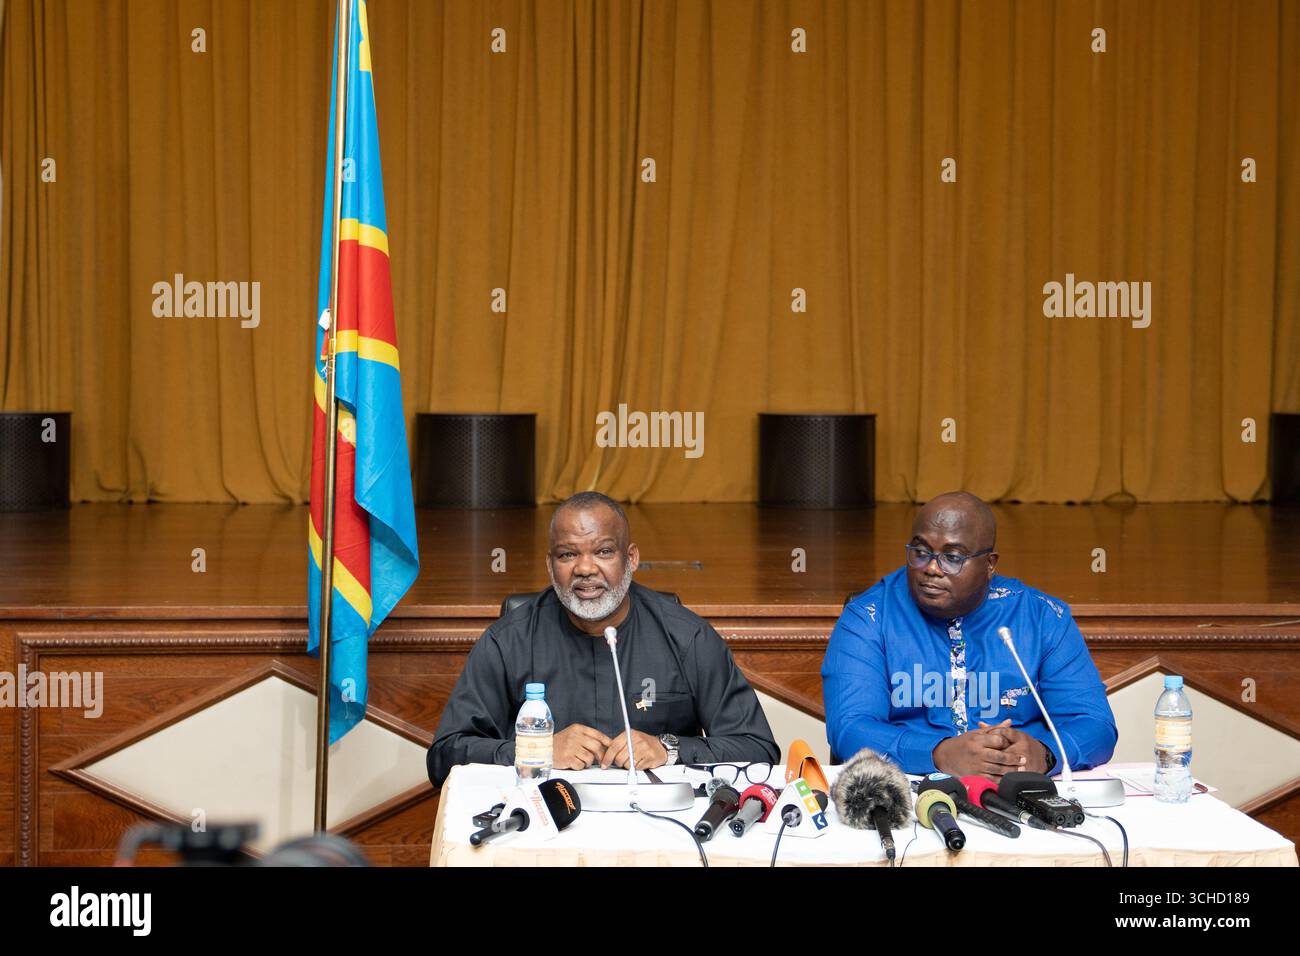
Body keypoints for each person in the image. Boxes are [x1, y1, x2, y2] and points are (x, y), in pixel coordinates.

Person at [427, 491, 779, 786]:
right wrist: (536, 750)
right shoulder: (508, 642)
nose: (584, 568)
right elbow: (444, 757)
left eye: (603, 551)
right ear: (551, 567)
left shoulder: (688, 637)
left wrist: (669, 748)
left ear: (631, 559)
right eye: (568, 555)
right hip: (543, 827)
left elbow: (759, 749)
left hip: (659, 830)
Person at [822, 491, 1117, 777]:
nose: (932, 569)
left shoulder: (1041, 617)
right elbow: (850, 728)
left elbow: (1095, 725)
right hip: (913, 791)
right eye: (921, 552)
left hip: (1019, 791)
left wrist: (1045, 753)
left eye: (952, 557)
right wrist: (938, 754)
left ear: (989, 565)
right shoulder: (869, 617)